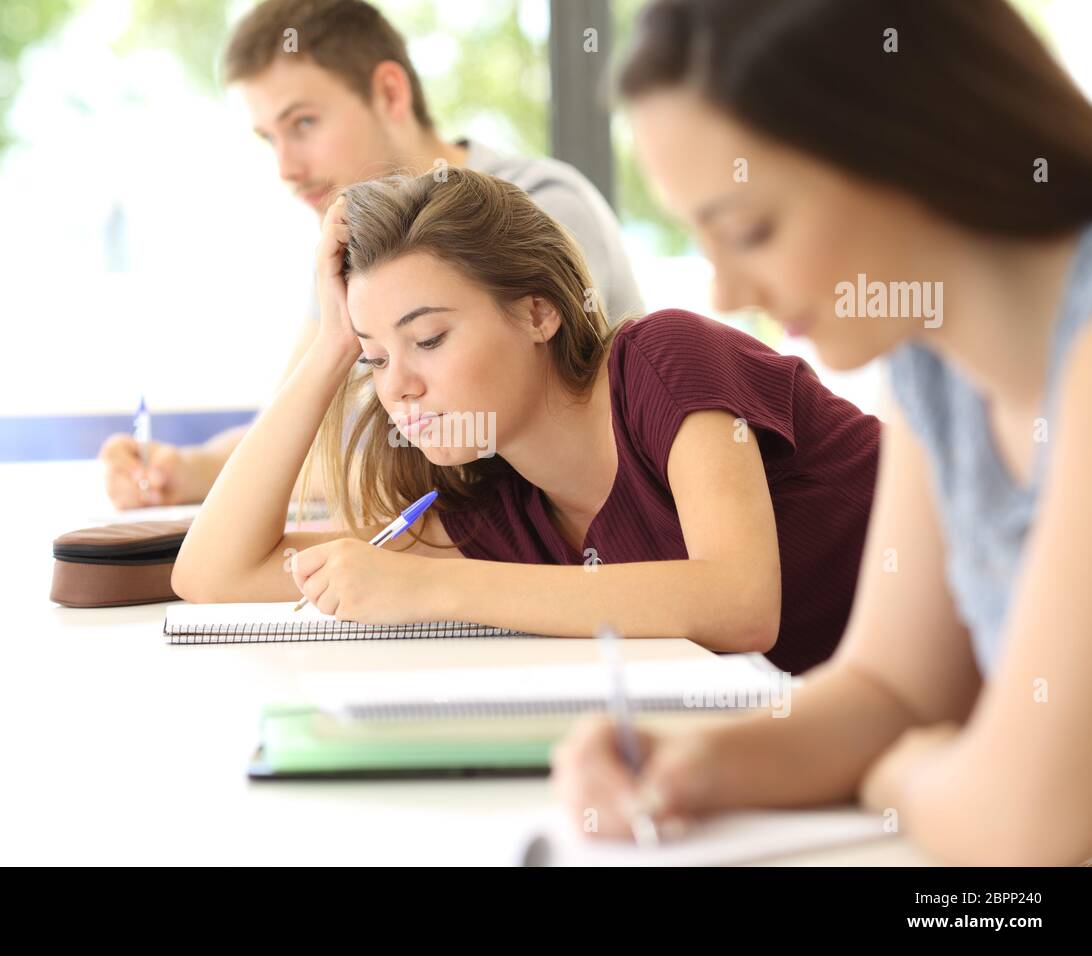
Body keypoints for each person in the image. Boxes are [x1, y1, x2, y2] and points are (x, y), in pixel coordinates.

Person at [551, 0, 1092, 865]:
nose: (724, 292)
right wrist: (702, 762)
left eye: (749, 229)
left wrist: (904, 778)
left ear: (909, 139)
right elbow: (893, 689)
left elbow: (1025, 826)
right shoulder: (932, 357)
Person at [171, 167, 879, 673]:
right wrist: (331, 345)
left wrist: (430, 587)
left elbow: (740, 604)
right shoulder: (497, 507)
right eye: (375, 360)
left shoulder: (664, 360)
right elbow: (214, 572)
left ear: (538, 311)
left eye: (429, 340)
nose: (401, 388)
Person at [99, 0, 643, 509]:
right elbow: (302, 425)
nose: (286, 169)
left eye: (304, 123)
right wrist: (189, 469)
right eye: (269, 138)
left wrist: (294, 471)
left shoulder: (540, 207)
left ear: (389, 93)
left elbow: (465, 456)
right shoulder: (364, 253)